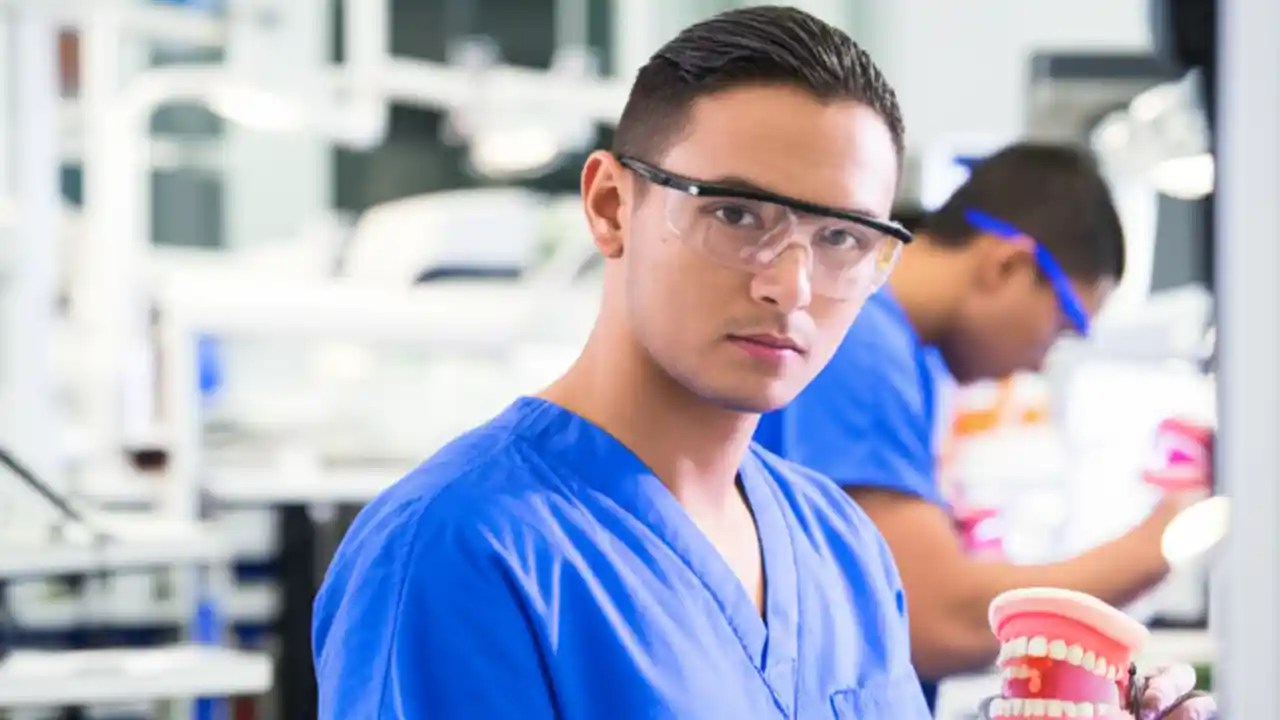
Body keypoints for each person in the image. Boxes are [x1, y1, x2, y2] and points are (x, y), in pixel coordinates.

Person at [313, 7, 1214, 719]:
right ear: (610, 206)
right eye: (736, 214)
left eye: (843, 238)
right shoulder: (459, 550)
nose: (792, 285)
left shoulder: (840, 546)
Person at [755, 143, 1214, 713]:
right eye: (1063, 325)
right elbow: (937, 621)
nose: (1044, 362)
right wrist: (1162, 543)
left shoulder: (905, 354)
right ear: (1008, 267)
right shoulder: (863, 344)